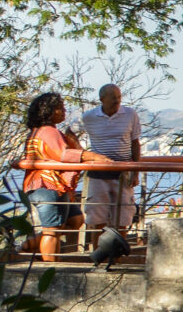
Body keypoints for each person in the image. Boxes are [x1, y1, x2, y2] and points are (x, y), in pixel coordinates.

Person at [20, 93, 108, 262]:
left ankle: (32, 244)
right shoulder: (48, 132)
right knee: (52, 229)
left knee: (75, 220)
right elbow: (63, 154)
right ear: (49, 111)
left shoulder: (40, 132)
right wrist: (93, 156)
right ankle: (50, 267)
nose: (64, 110)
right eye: (60, 107)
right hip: (47, 185)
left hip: (49, 185)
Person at [81, 84, 143, 242]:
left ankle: (117, 253)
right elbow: (70, 132)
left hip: (123, 171)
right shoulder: (89, 117)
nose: (117, 101)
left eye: (119, 97)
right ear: (102, 99)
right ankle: (98, 252)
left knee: (123, 215)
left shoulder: (130, 114)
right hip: (98, 172)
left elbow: (135, 143)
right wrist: (86, 155)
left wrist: (136, 171)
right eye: (113, 97)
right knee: (96, 216)